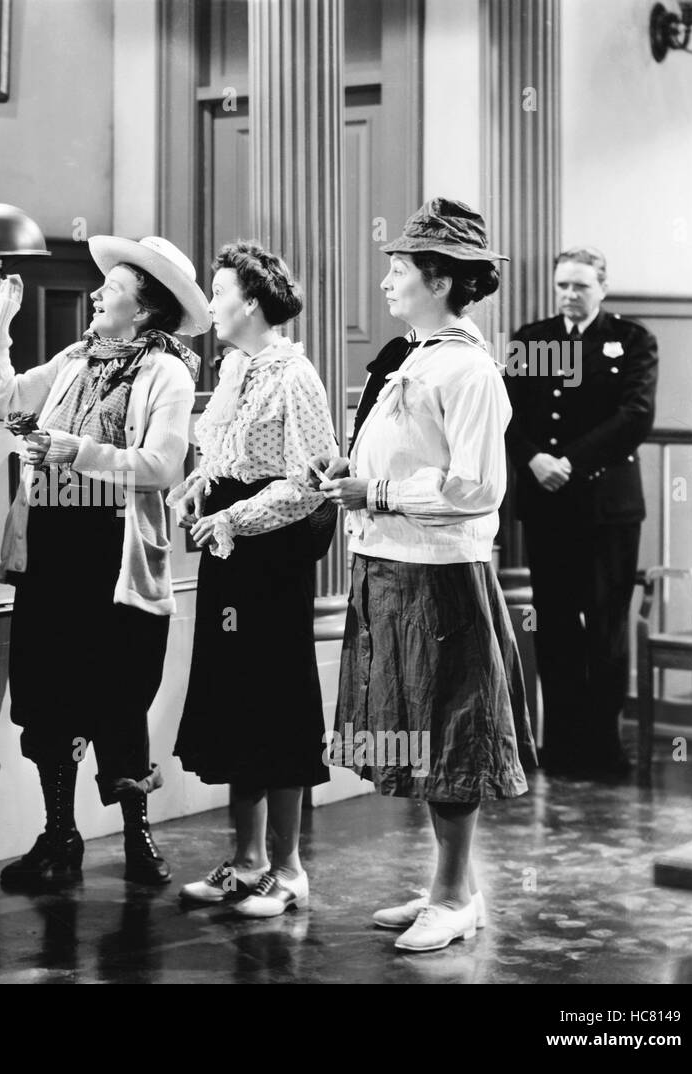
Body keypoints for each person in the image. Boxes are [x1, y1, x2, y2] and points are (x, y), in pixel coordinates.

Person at [319, 197, 537, 952]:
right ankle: (452, 888)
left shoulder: (470, 369)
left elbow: (478, 487)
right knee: (414, 731)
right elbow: (413, 457)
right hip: (391, 563)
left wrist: (375, 492)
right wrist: (353, 469)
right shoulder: (416, 355)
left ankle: (453, 895)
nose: (386, 281)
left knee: (451, 734)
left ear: (441, 281)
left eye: (400, 269)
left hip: (441, 576)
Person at [0, 235, 209, 886]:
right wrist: (1, 316)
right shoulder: (77, 361)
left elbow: (162, 466)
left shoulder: (167, 371)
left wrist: (72, 450)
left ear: (143, 309)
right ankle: (59, 838)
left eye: (114, 289)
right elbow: (2, 398)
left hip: (113, 550)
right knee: (50, 696)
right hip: (53, 545)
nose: (98, 293)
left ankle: (137, 837)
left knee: (118, 696)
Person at [167, 242, 338, 917]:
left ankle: (290, 870)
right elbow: (225, 454)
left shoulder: (294, 375)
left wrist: (232, 516)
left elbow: (311, 483)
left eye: (220, 292)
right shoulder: (236, 364)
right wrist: (196, 486)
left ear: (253, 302)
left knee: (279, 703)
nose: (211, 303)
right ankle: (247, 860)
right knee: (237, 700)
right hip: (231, 554)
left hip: (273, 557)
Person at [505, 247, 658, 778]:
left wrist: (569, 460)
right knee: (556, 627)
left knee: (606, 626)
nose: (570, 296)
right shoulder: (532, 339)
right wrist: (533, 459)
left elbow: (635, 415)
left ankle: (604, 746)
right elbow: (508, 413)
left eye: (581, 286)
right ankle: (564, 745)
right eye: (562, 286)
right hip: (549, 507)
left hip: (608, 507)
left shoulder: (632, 340)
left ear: (603, 287)